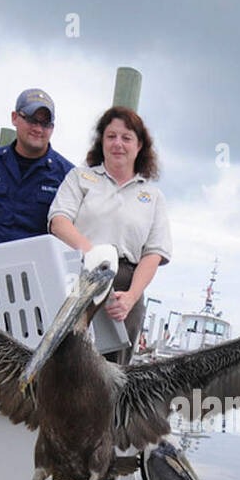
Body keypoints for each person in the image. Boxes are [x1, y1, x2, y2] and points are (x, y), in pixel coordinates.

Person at [48, 106, 171, 364]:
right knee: (65, 361)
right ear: (101, 141)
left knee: (112, 371)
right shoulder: (80, 177)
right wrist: (94, 256)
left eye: (126, 138)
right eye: (111, 136)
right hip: (78, 275)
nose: (118, 144)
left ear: (139, 147)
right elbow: (59, 222)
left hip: (125, 285)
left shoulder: (153, 197)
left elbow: (154, 253)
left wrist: (131, 297)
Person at [0, 88, 72, 247]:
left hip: (36, 265)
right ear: (14, 117)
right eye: (31, 120)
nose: (38, 129)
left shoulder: (66, 176)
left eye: (45, 124)